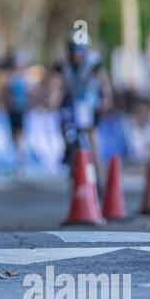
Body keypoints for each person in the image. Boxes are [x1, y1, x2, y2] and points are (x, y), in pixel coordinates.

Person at [57, 32, 113, 187]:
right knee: (66, 129)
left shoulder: (93, 62)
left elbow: (103, 82)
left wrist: (106, 98)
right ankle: (71, 159)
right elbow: (60, 85)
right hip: (72, 102)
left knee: (92, 137)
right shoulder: (65, 64)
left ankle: (99, 178)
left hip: (89, 103)